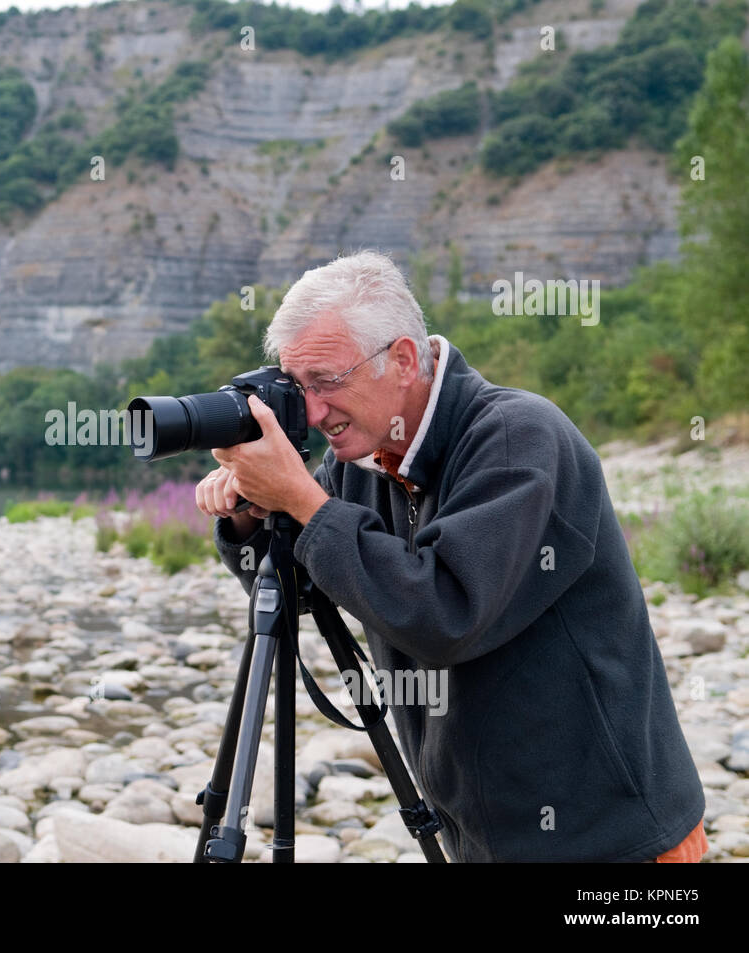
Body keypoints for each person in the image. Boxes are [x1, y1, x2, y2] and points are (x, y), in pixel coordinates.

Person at [196, 250, 707, 862]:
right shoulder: (358, 458)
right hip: (478, 829)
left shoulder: (518, 437)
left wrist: (305, 501)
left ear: (404, 359)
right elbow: (311, 593)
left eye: (327, 381)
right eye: (297, 386)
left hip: (607, 836)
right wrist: (253, 518)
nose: (311, 412)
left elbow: (444, 614)